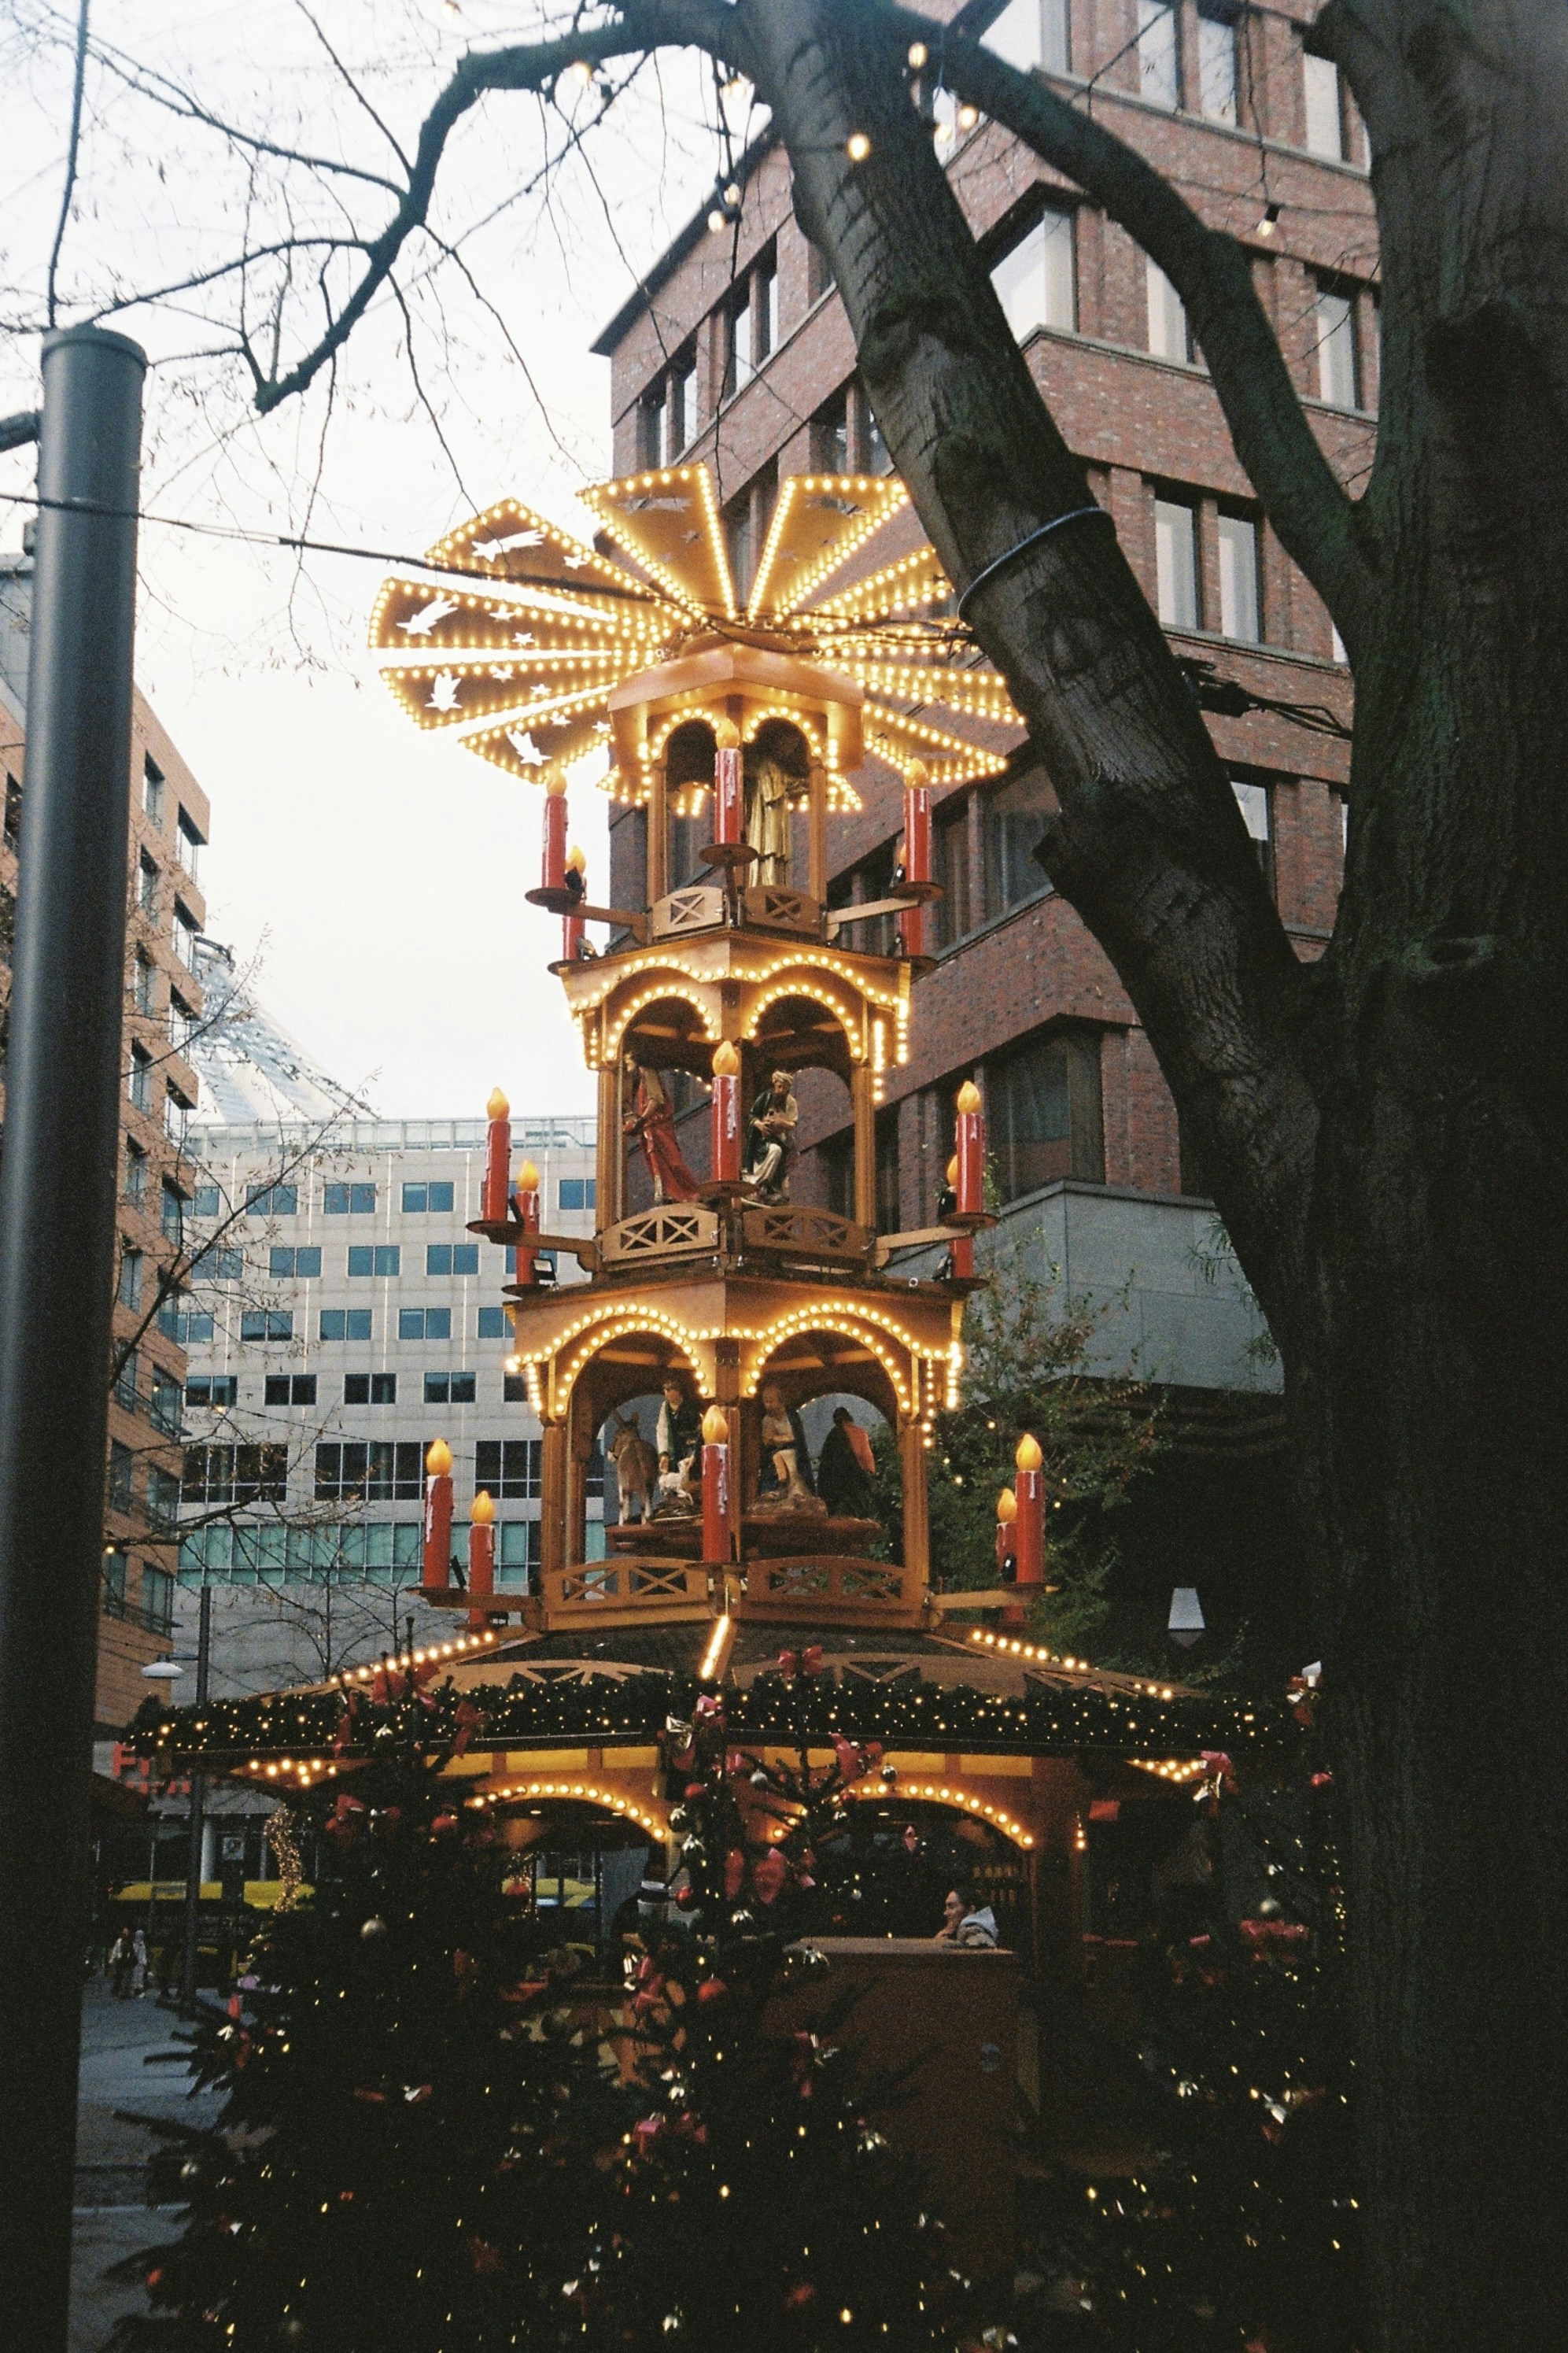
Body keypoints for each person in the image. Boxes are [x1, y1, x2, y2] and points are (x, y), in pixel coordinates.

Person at [623, 1055, 702, 1205]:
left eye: (628, 1059)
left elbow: (656, 1099)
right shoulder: (641, 1080)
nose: (627, 1062)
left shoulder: (648, 1073)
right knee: (659, 1163)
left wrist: (641, 1120)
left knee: (671, 1161)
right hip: (651, 1130)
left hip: (658, 1129)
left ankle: (686, 1193)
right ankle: (671, 1193)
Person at [755, 1380, 819, 1511]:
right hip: (775, 1453)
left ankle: (790, 1487)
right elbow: (767, 1440)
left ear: (780, 1401)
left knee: (789, 1466)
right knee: (777, 1459)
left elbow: (796, 1437)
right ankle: (779, 1485)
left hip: (794, 1452)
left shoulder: (791, 1416)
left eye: (771, 1401)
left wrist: (781, 1439)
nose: (768, 1405)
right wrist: (778, 1439)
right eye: (766, 1401)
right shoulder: (767, 1419)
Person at [743, 1069, 798, 1203]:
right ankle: (757, 1184)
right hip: (762, 1140)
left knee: (777, 1151)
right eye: (779, 1087)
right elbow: (752, 1116)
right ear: (775, 1084)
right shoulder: (766, 1097)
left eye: (784, 1088)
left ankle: (764, 1186)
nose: (781, 1090)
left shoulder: (790, 1102)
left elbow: (793, 1123)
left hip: (780, 1140)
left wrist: (781, 1123)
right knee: (773, 1150)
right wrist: (761, 1125)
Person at [816, 1405, 877, 1520]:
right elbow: (868, 1460)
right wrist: (869, 1479)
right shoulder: (860, 1433)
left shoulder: (833, 1435)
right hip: (856, 1485)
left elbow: (826, 1465)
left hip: (837, 1487)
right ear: (850, 1418)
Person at [654, 1378, 704, 1515]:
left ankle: (694, 1504)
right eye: (665, 1390)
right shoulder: (665, 1408)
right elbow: (662, 1431)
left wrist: (694, 1454)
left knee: (692, 1478)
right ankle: (676, 1503)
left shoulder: (692, 1407)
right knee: (672, 1479)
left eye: (670, 1390)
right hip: (675, 1451)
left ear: (678, 1392)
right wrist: (663, 1454)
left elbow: (701, 1430)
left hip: (692, 1448)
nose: (667, 1393)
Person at [934, 1886, 998, 1949]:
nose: (945, 1913)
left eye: (951, 1907)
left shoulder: (975, 1933)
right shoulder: (960, 1934)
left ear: (970, 1910)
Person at [109, 1927, 135, 1998]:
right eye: (123, 1931)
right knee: (118, 1976)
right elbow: (115, 1950)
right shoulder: (119, 1941)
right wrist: (112, 1959)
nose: (124, 1933)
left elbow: (132, 1952)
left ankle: (124, 1992)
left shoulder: (130, 1942)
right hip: (120, 1961)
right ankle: (116, 1990)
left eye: (126, 1932)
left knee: (126, 1977)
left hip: (127, 1961)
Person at [130, 1926, 149, 1996]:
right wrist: (142, 1962)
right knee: (137, 1976)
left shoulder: (139, 1943)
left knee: (139, 1976)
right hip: (139, 1963)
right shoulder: (138, 1944)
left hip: (140, 1963)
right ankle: (136, 1989)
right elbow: (138, 1954)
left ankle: (138, 1989)